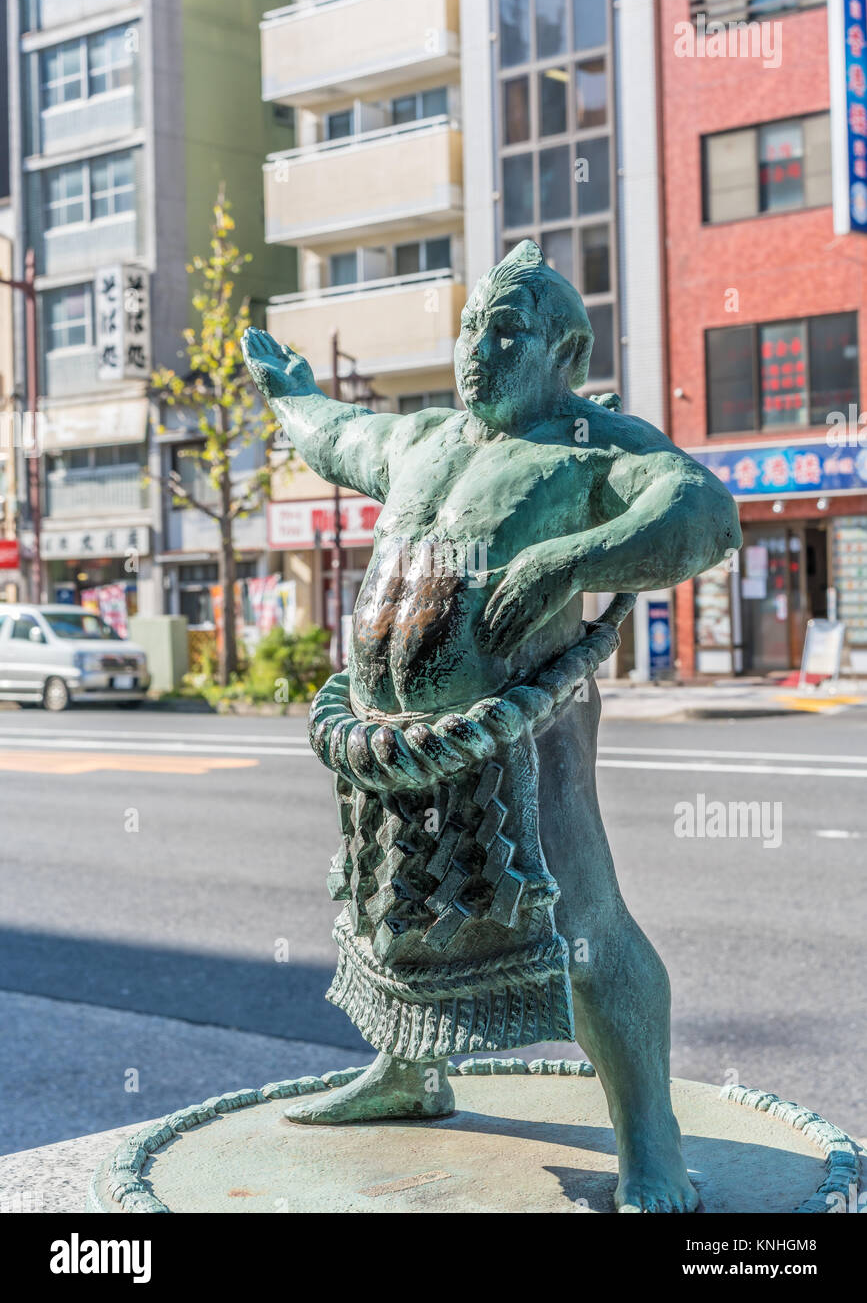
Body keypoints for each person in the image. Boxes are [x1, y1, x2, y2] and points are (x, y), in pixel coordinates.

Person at [241, 240, 740, 1212]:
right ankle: (409, 1070)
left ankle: (651, 1142)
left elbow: (703, 511)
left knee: (585, 923)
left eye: (506, 331)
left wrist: (569, 560)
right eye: (473, 325)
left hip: (521, 741)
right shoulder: (423, 438)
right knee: (391, 912)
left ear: (566, 350)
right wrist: (289, 393)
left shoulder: (592, 448)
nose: (479, 347)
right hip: (391, 749)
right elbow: (336, 434)